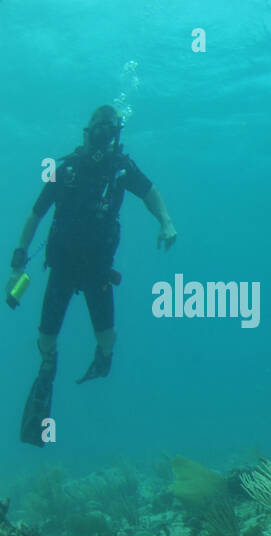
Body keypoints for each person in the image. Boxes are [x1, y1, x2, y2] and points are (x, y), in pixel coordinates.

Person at [8, 105, 177, 446]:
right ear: (87, 131)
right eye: (97, 126)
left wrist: (166, 221)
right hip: (62, 267)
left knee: (106, 335)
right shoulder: (65, 168)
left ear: (116, 134)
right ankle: (48, 365)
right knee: (46, 336)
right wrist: (18, 262)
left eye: (109, 127)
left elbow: (150, 192)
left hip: (97, 270)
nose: (102, 133)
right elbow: (35, 214)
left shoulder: (121, 168)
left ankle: (103, 358)